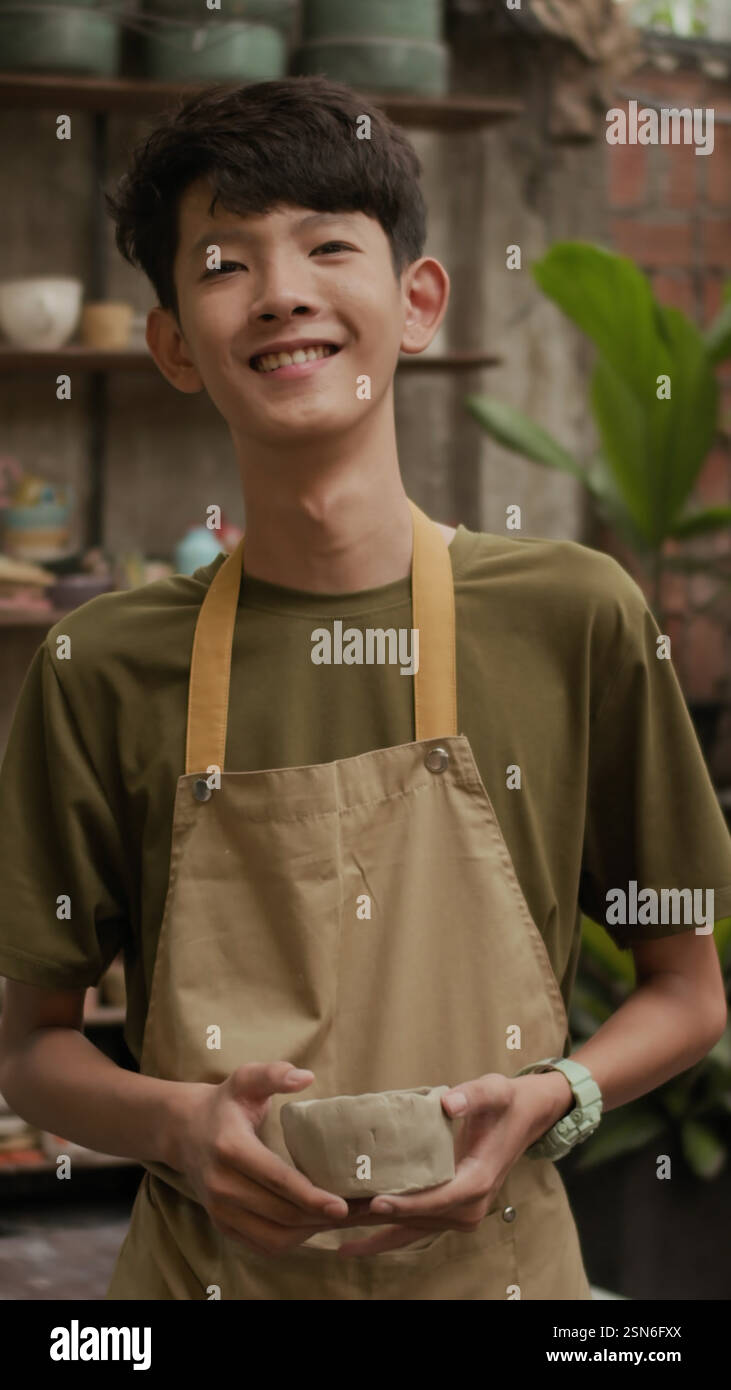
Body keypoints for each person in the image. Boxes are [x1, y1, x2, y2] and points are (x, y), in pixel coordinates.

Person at [0, 77, 729, 1302]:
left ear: (417, 301)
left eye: (329, 247)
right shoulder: (100, 665)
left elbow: (686, 990)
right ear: (173, 340)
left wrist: (553, 1097)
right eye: (226, 262)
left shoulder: (575, 615)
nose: (282, 290)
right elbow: (29, 1045)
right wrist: (181, 1126)